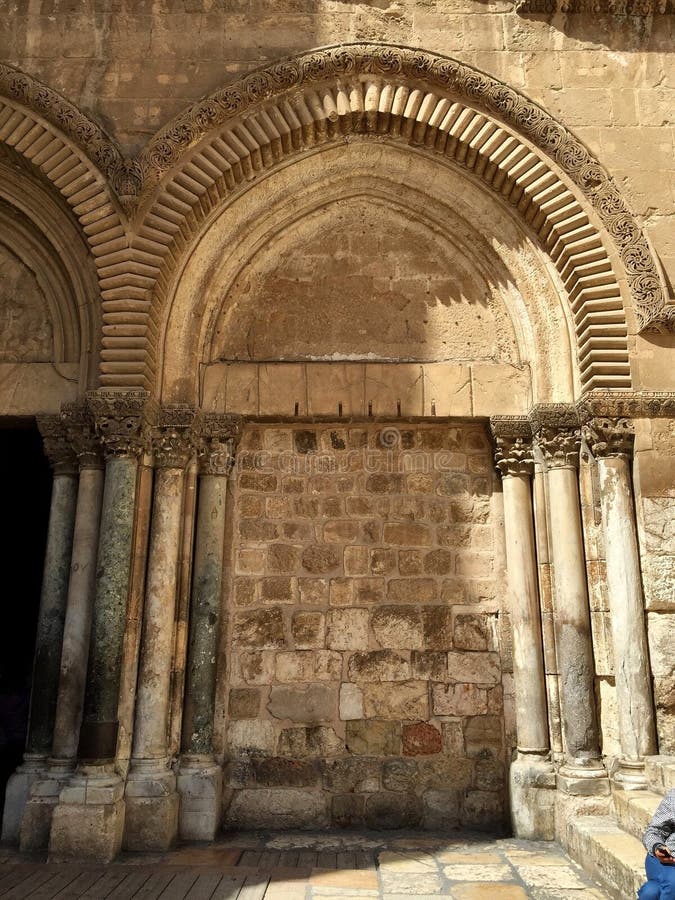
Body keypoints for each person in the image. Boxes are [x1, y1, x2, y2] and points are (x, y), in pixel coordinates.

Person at [639, 789, 675, 899]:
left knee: (651, 892)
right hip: (664, 859)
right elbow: (654, 831)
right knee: (672, 883)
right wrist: (657, 847)